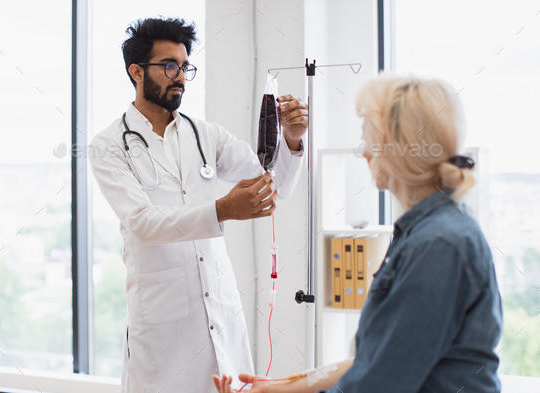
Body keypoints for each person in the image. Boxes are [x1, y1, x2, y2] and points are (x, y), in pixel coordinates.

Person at [213, 73, 503, 393]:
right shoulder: (425, 232)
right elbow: (376, 357)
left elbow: (377, 383)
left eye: (370, 142)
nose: (364, 153)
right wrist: (284, 387)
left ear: (400, 148)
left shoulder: (436, 246)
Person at [88, 17, 308, 393]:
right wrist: (222, 209)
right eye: (169, 66)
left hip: (221, 313)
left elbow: (274, 187)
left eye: (185, 66)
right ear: (137, 72)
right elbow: (143, 223)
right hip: (162, 325)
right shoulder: (108, 146)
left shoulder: (205, 135)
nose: (181, 77)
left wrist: (290, 138)